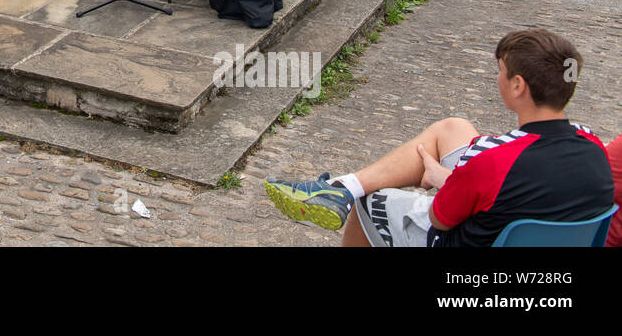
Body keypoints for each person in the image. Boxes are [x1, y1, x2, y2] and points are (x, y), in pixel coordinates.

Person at [264, 28, 615, 247]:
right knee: (452, 128)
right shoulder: (595, 147)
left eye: (501, 72)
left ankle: (346, 192)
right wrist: (453, 177)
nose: (497, 79)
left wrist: (443, 181)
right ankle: (339, 189)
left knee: (373, 203)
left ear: (518, 86)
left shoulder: (493, 160)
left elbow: (441, 220)